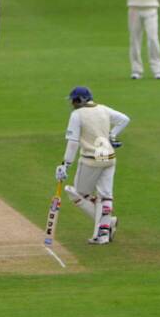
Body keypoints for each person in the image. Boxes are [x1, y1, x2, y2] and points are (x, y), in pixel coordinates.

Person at [56, 86, 129, 244]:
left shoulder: (77, 115)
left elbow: (73, 142)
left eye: (73, 100)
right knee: (105, 195)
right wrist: (112, 135)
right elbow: (124, 119)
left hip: (91, 158)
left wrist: (65, 165)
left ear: (80, 100)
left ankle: (106, 225)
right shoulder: (103, 109)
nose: (72, 104)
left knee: (78, 192)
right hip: (108, 156)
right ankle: (103, 233)